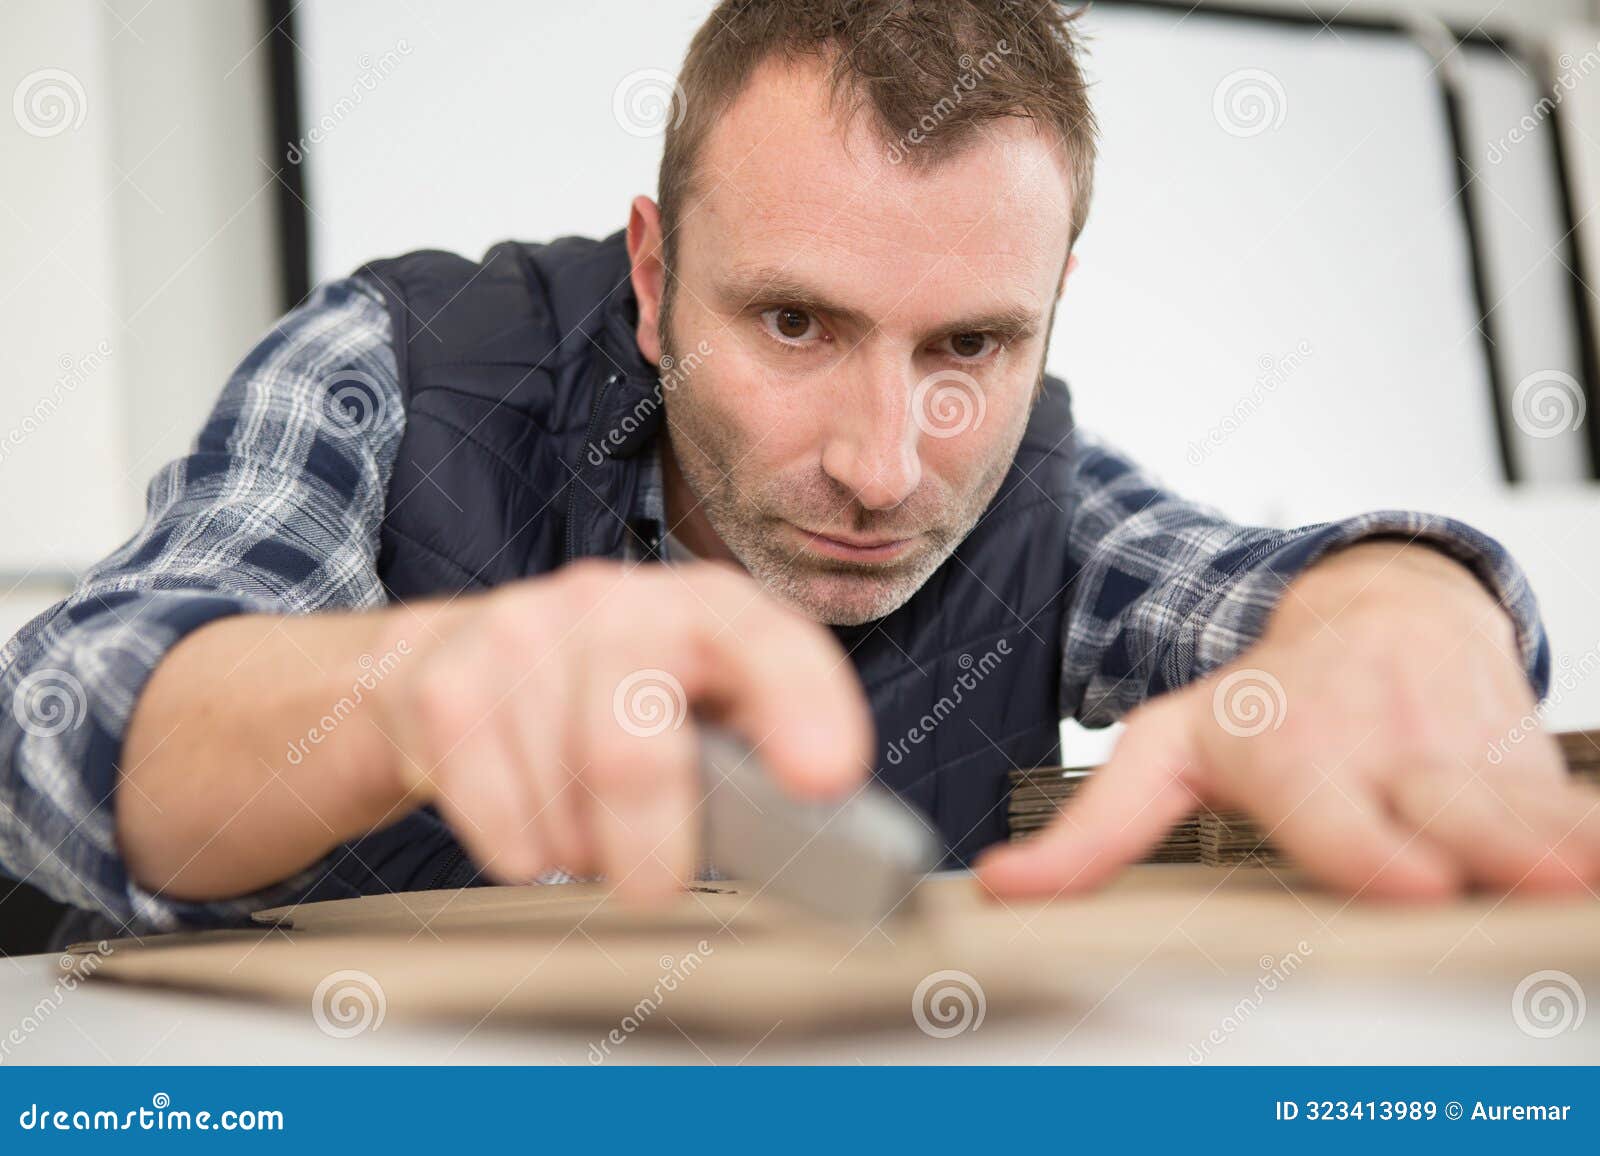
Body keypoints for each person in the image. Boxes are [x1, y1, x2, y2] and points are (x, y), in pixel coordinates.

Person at [1, 0, 1593, 937]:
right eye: (794, 321)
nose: (885, 468)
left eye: (969, 344)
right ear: (650, 271)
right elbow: (54, 727)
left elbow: (1278, 596)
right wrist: (417, 683)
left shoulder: (1027, 476)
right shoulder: (393, 370)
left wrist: (1412, 612)